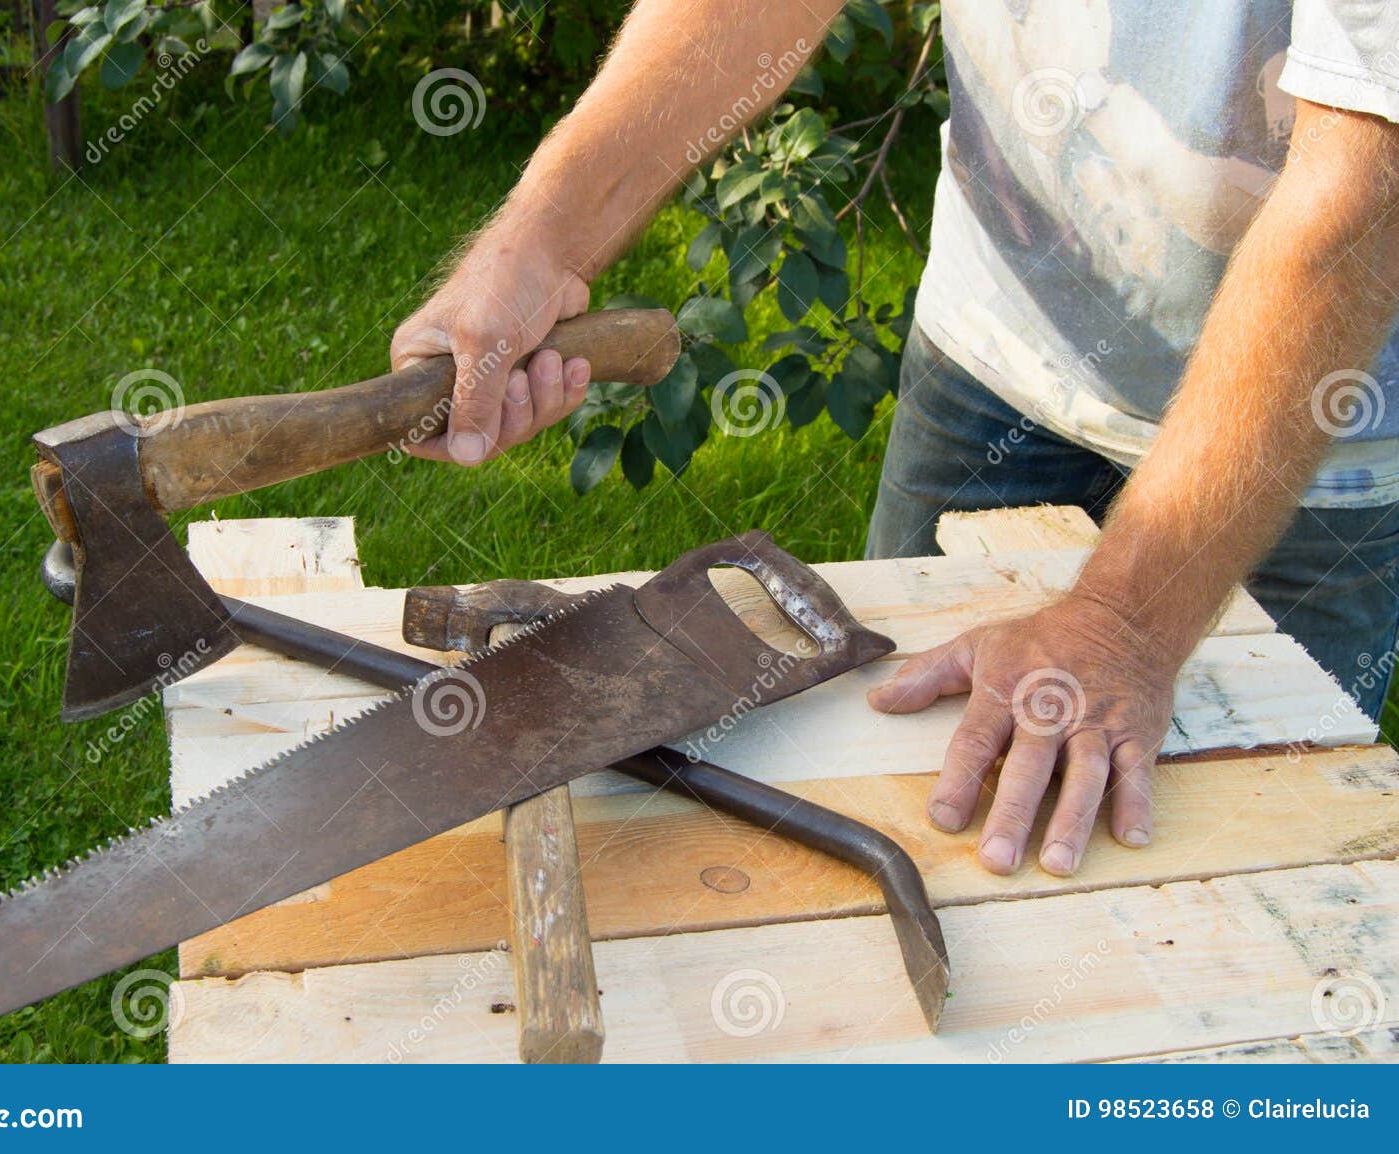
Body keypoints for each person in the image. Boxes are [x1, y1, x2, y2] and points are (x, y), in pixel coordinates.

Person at [390, 1, 1399, 878]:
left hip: (1309, 438)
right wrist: (539, 245)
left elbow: (1357, 198)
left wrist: (1125, 624)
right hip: (1001, 341)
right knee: (895, 792)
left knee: (1239, 902)